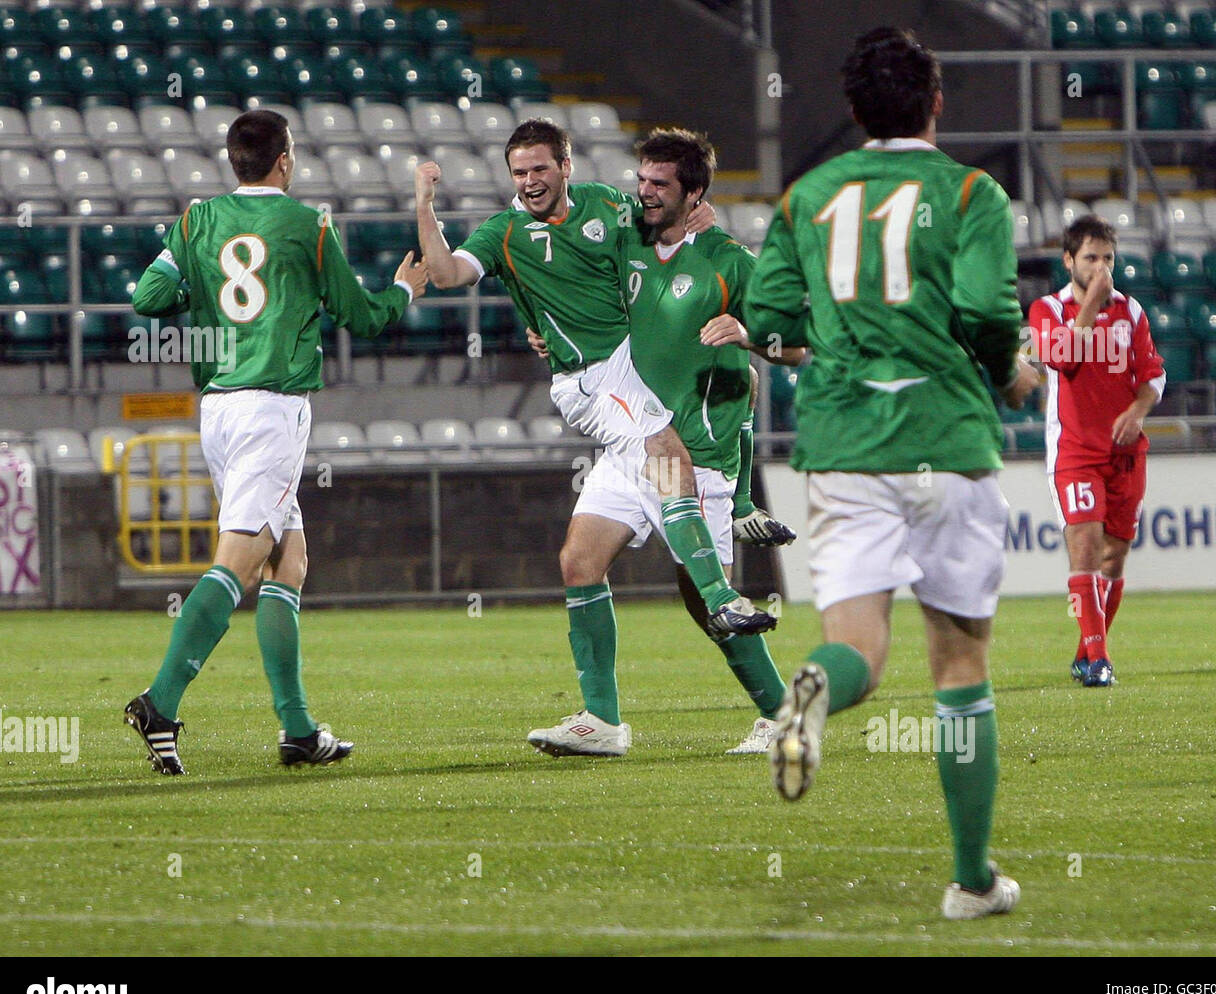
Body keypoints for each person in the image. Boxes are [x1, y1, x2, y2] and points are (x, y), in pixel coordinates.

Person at [744, 27, 1041, 919]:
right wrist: (1011, 371)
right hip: (946, 437)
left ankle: (814, 693)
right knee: (960, 663)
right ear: (936, 102)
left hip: (843, 446)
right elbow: (989, 308)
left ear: (853, 111)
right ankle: (971, 880)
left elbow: (765, 318)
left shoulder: (807, 197)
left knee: (861, 650)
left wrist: (829, 345)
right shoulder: (970, 192)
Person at [414, 119, 778, 758]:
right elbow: (444, 274)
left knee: (582, 562)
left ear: (566, 166)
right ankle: (626, 697)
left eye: (540, 170)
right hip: (591, 382)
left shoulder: (611, 208)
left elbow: (660, 224)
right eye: (519, 172)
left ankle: (647, 716)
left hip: (628, 384)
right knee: (667, 455)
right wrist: (424, 206)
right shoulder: (504, 232)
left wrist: (699, 215)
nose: (529, 182)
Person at [124, 109, 428, 774]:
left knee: (288, 561)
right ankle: (160, 702)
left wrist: (201, 292)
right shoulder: (308, 224)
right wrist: (405, 289)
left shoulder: (196, 218)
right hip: (272, 410)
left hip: (218, 408)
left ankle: (296, 730)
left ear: (235, 161)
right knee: (239, 561)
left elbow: (147, 297)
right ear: (284, 160)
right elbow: (359, 315)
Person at [523, 128, 804, 758]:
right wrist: (554, 337)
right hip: (633, 441)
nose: (644, 194)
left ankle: (784, 715)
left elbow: (801, 344)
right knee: (578, 562)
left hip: (695, 458)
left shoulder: (732, 263)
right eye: (642, 180)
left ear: (694, 193)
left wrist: (751, 337)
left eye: (660, 185)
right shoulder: (629, 244)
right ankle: (601, 720)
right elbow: (581, 295)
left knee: (703, 605)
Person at [1029, 215, 1166, 687]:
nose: (1102, 267)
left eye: (1108, 257)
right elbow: (1063, 357)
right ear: (1069, 261)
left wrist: (1139, 410)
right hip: (1075, 451)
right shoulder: (1047, 309)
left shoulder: (1132, 312)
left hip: (1125, 453)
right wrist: (1090, 301)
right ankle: (1101, 660)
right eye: (1091, 258)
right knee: (1085, 550)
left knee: (1115, 557)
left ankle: (1086, 650)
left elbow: (1153, 377)